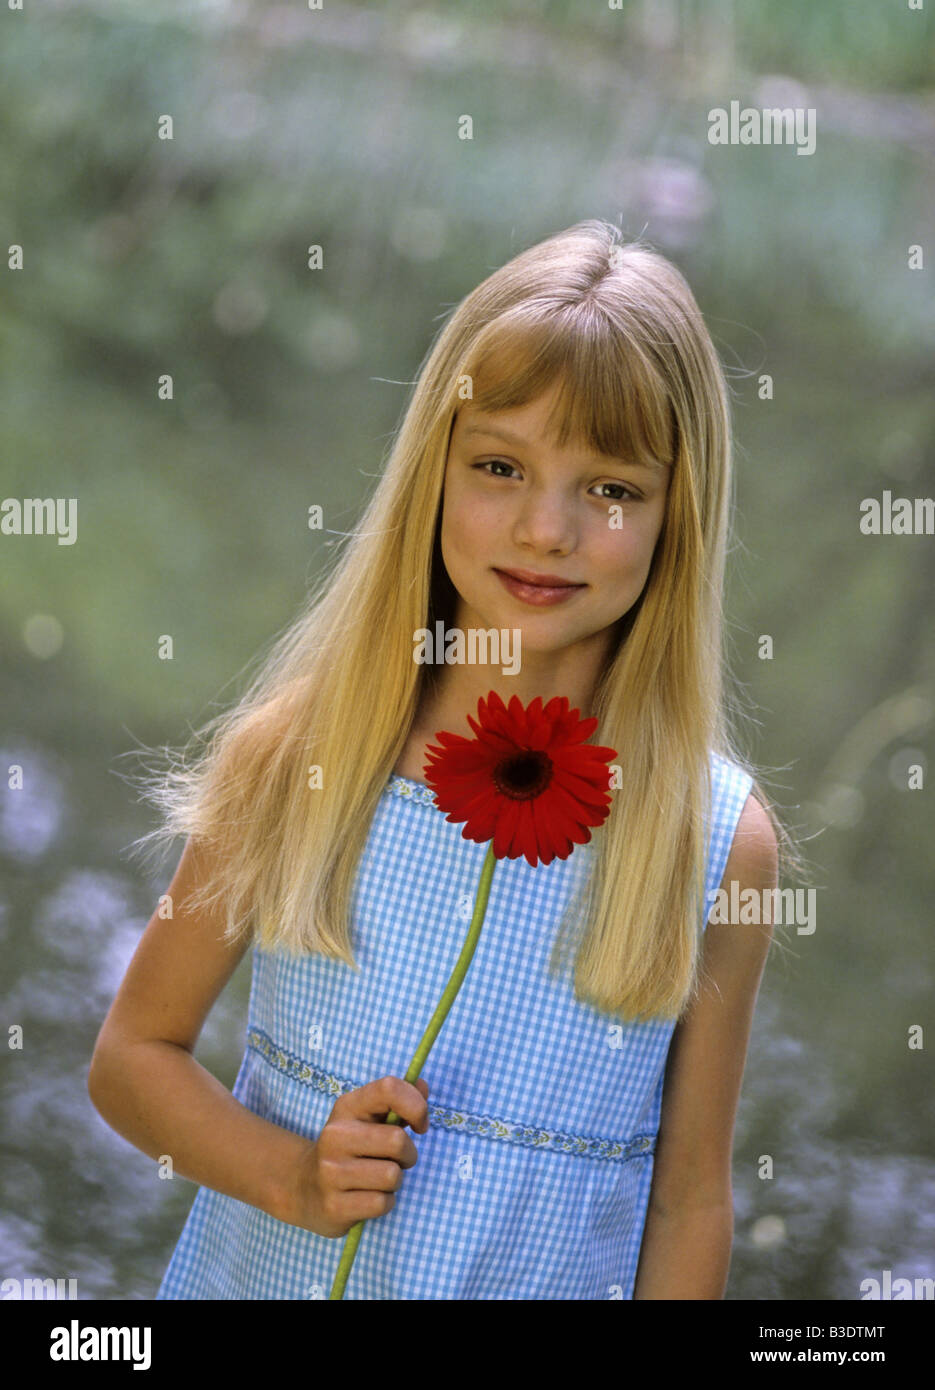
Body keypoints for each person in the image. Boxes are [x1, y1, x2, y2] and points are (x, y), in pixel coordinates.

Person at [89, 218, 799, 1299]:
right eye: (499, 466)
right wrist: (288, 1173)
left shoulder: (712, 845)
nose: (545, 528)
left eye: (610, 488)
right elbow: (132, 1058)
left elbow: (688, 1198)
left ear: (676, 516)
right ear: (432, 471)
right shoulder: (299, 758)